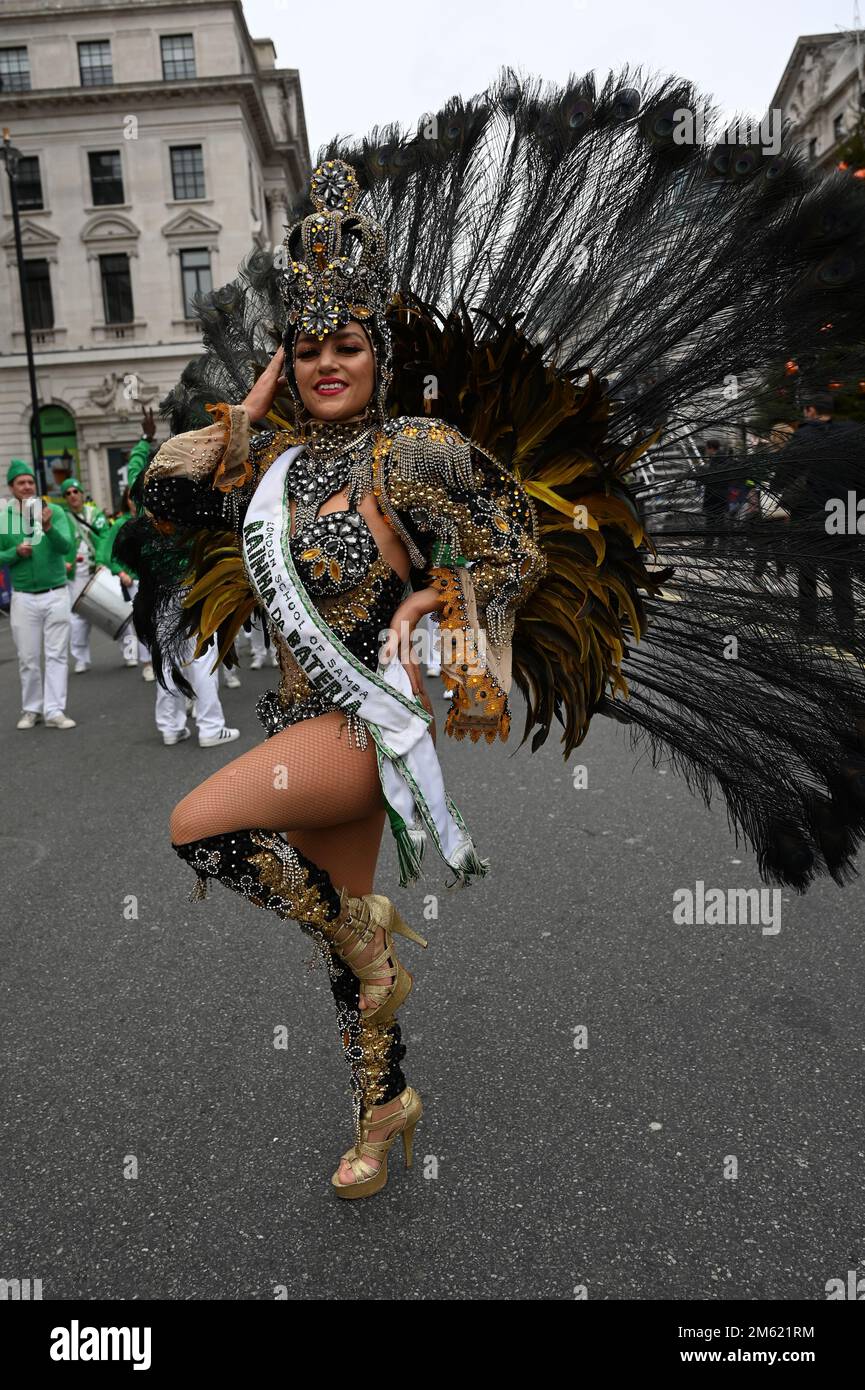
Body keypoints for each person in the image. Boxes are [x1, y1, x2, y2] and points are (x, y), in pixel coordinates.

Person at [117, 75, 865, 1199]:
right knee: (341, 951)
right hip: (305, 719)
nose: (327, 362)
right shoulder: (268, 467)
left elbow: (514, 538)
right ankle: (382, 1109)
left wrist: (432, 605)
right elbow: (155, 503)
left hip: (363, 726)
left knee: (196, 824)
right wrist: (243, 407)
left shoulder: (408, 450)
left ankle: (373, 956)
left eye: (348, 345)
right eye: (307, 344)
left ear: (379, 354)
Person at [775, 393, 864, 644]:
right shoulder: (851, 434)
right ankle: (846, 626)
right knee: (840, 570)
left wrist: (777, 491)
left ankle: (808, 624)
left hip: (810, 513)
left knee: (807, 569)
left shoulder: (804, 436)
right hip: (844, 511)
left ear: (812, 411)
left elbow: (784, 472)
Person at [0, 458, 77, 728]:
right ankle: (32, 708)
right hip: (23, 596)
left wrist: (47, 527)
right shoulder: (3, 517)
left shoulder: (53, 512)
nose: (26, 486)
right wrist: (14, 552)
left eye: (30, 481)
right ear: (11, 487)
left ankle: (55, 710)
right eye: (21, 482)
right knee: (28, 657)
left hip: (56, 592)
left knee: (56, 654)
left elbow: (66, 546)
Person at [61, 476, 109, 673]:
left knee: (116, 611)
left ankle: (130, 653)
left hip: (97, 570)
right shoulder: (63, 518)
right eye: (68, 493)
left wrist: (100, 561)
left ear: (82, 494)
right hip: (76, 574)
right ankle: (81, 658)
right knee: (78, 617)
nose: (72, 496)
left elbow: (105, 538)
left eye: (75, 491)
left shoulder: (94, 514)